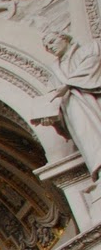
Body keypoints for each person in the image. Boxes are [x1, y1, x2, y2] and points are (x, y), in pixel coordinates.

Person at [43, 30, 101, 179]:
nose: (50, 47)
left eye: (52, 42)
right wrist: (51, 118)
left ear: (64, 38)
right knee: (88, 137)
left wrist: (68, 84)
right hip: (73, 107)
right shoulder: (55, 69)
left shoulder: (89, 48)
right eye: (47, 47)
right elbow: (54, 98)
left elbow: (93, 64)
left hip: (92, 99)